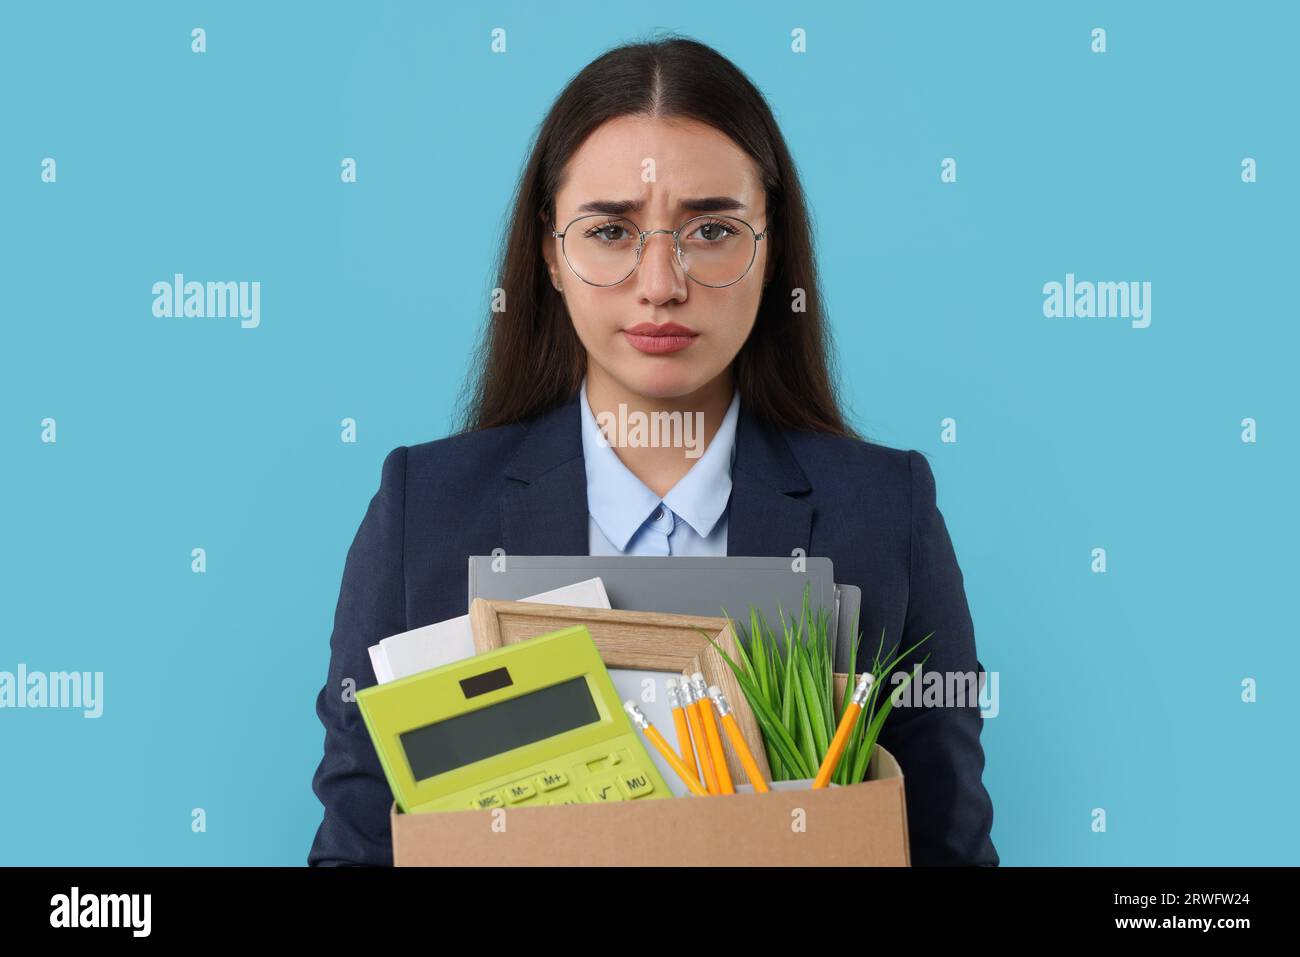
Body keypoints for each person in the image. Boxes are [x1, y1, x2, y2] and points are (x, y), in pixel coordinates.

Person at [308, 34, 998, 866]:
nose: (662, 282)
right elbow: (355, 850)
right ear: (549, 255)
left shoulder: (887, 512)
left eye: (711, 228)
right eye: (609, 230)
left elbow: (948, 850)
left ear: (770, 248)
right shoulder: (425, 511)